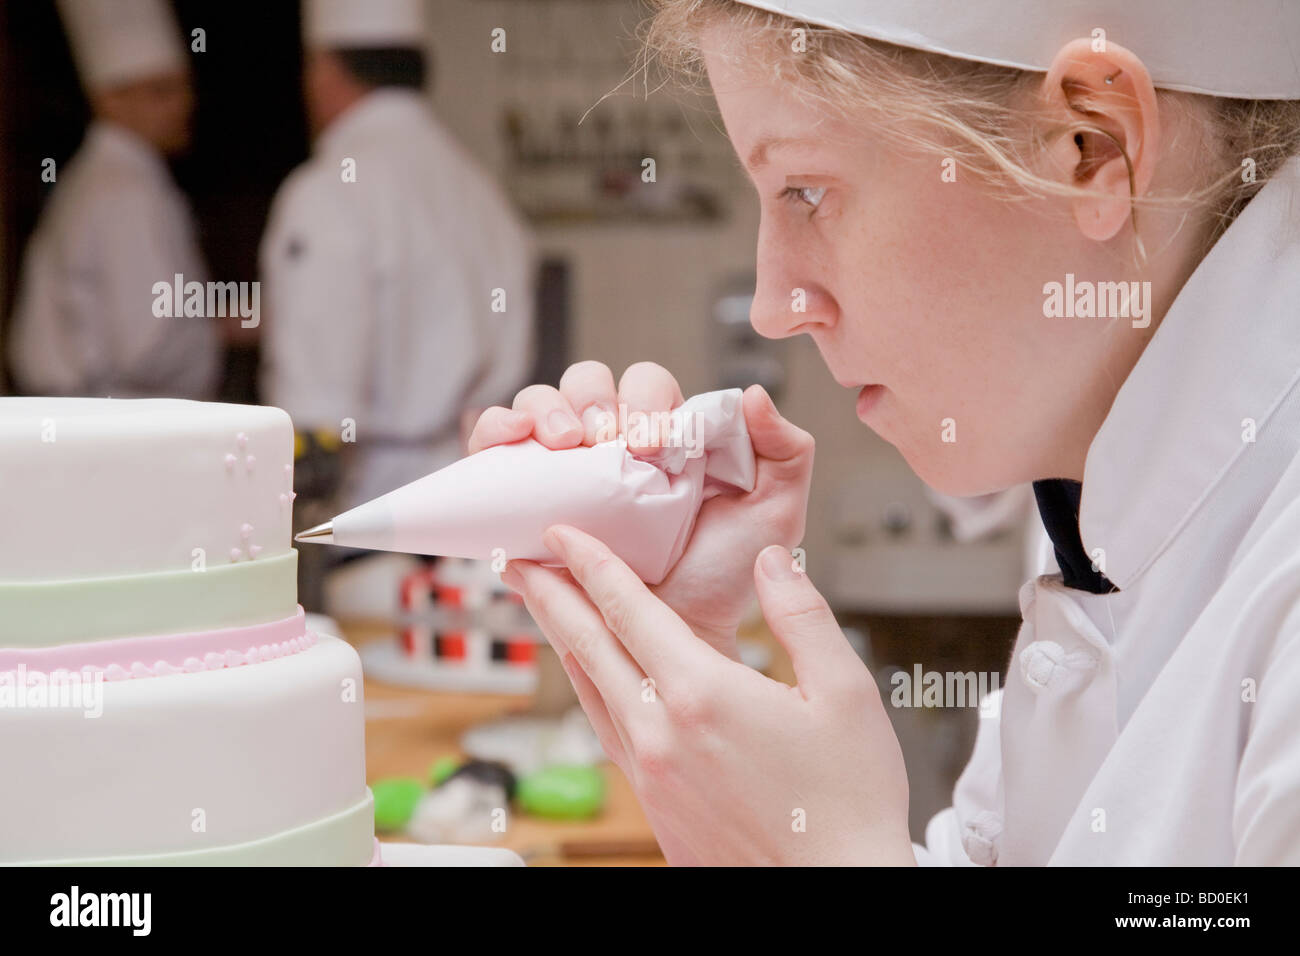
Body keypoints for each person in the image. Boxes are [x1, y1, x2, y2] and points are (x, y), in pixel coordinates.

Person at [468, 0, 1300, 865]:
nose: (773, 305)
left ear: (1094, 148)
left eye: (807, 192)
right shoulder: (1098, 509)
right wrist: (703, 722)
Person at [261, 0, 535, 511]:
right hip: (480, 494)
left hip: (373, 508)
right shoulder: (480, 189)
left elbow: (315, 415)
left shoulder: (326, 190)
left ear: (326, 71)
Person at [8, 0, 218, 400]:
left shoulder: (103, 177)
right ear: (110, 100)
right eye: (161, 92)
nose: (182, 105)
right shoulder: (124, 189)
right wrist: (217, 327)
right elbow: (147, 345)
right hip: (109, 419)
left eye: (183, 87)